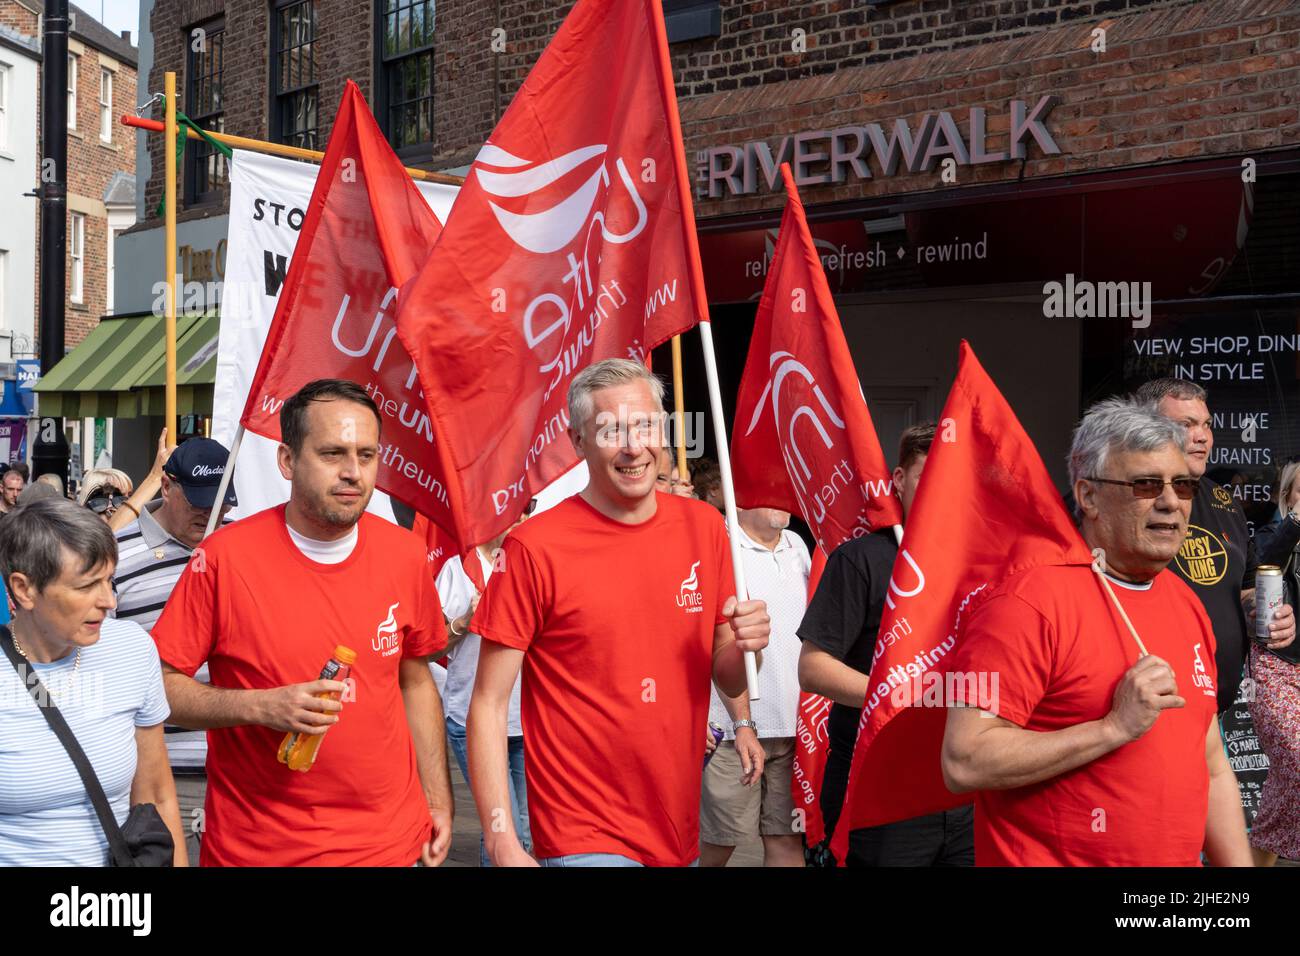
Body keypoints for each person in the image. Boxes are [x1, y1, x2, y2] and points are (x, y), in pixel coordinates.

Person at [468, 358, 770, 867]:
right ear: (578, 441)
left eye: (645, 425)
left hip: (676, 827)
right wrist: (501, 837)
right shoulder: (533, 547)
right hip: (583, 831)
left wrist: (747, 648)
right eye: (610, 430)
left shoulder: (704, 526)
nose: (633, 446)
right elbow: (488, 704)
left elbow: (726, 673)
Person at [149, 379, 454, 866]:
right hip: (260, 851)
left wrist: (438, 799)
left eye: (367, 454)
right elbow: (158, 690)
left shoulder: (404, 553)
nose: (353, 472)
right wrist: (261, 706)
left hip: (391, 846)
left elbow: (415, 680)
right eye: (333, 453)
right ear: (287, 461)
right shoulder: (223, 559)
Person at [941, 398, 1251, 866]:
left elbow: (1210, 765)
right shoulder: (1025, 601)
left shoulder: (1184, 601)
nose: (1170, 501)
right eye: (1145, 484)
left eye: (1183, 486)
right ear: (1088, 497)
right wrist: (1112, 728)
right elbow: (964, 760)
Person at [797, 423, 973, 865]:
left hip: (965, 786)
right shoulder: (860, 560)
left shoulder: (984, 562)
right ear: (899, 480)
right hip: (879, 788)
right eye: (925, 475)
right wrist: (897, 697)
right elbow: (813, 667)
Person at [0, 497, 186, 865]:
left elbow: (157, 795)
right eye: (86, 586)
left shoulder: (131, 649)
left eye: (109, 580)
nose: (108, 600)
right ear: (24, 589)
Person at [112, 436, 237, 865]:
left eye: (220, 501)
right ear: (167, 487)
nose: (210, 512)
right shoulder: (116, 557)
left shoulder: (241, 549)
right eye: (199, 500)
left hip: (242, 774)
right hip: (164, 776)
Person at [1136, 378, 1295, 711]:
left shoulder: (1224, 501)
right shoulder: (1125, 500)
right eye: (1186, 425)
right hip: (1149, 707)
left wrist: (1262, 614)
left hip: (1214, 709)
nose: (1202, 436)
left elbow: (1246, 588)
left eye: (1206, 424)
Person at [701, 506, 809, 867]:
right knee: (717, 844)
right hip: (732, 731)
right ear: (743, 497)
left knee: (786, 839)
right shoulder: (719, 538)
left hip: (792, 728)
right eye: (770, 491)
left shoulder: (797, 545)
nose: (783, 500)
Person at [435, 498, 536, 867]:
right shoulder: (459, 570)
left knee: (525, 826)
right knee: (505, 828)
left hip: (525, 721)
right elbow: (429, 648)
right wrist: (467, 619)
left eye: (529, 508)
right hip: (471, 720)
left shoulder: (530, 564)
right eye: (515, 510)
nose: (523, 517)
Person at [1240, 459, 1300, 866]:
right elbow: (1263, 568)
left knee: (1285, 782)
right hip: (1276, 668)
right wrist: (1295, 523)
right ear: (1287, 496)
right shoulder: (1270, 538)